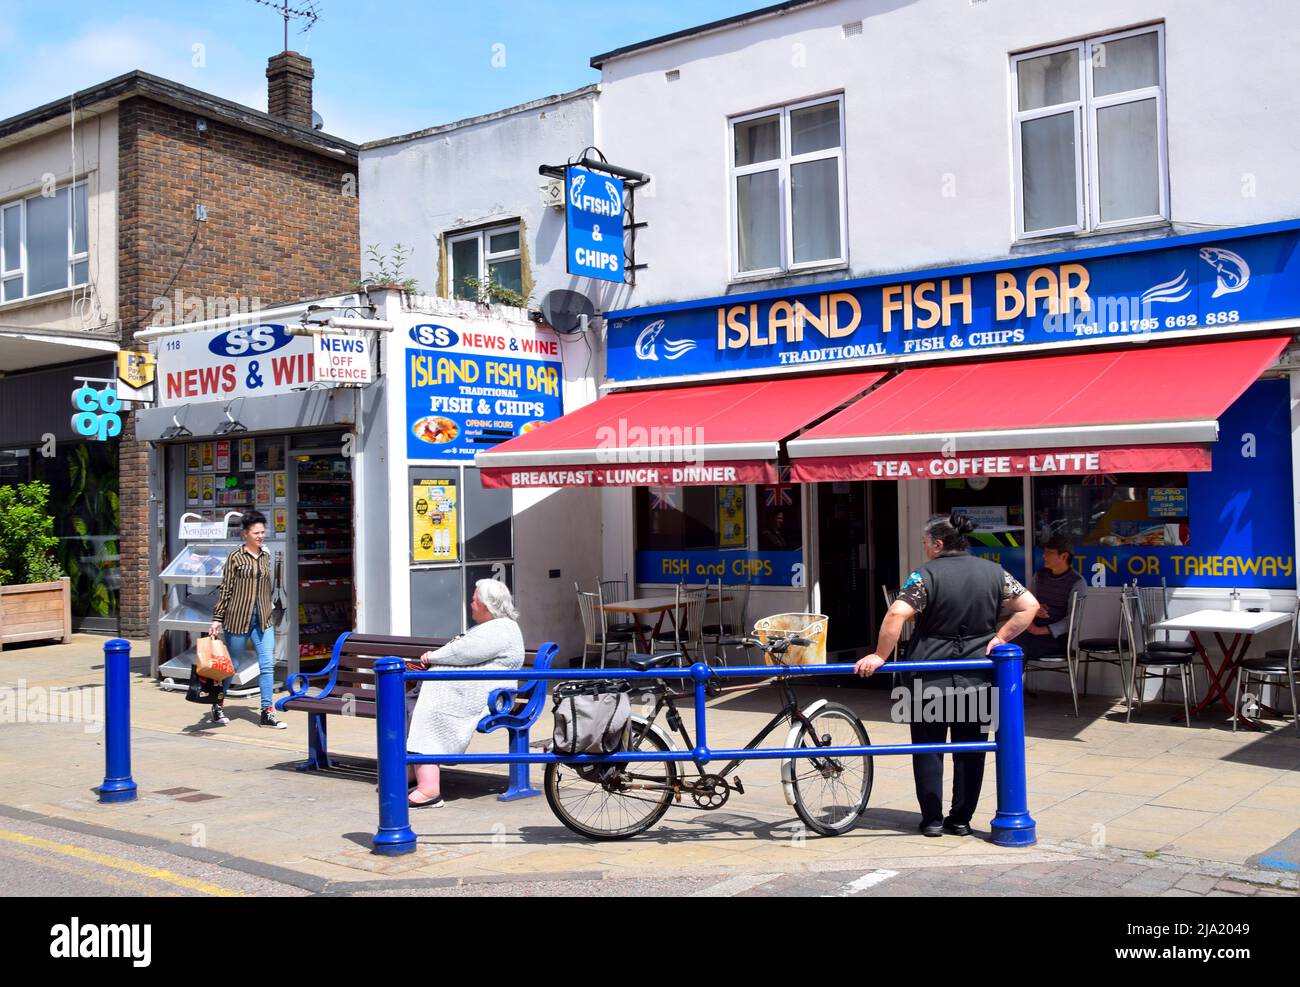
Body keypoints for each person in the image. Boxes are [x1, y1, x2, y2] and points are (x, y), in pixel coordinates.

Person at [854, 513, 1038, 837]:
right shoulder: (994, 573)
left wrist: (880, 655)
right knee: (971, 750)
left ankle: (932, 820)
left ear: (938, 544)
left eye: (925, 542)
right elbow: (1029, 606)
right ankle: (961, 820)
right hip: (977, 674)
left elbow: (896, 612)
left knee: (928, 748)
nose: (924, 548)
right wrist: (1000, 638)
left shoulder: (925, 575)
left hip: (928, 673)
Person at [406, 580, 525, 808]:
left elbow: (464, 652)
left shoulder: (501, 628)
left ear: (487, 606)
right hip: (463, 690)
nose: (470, 604)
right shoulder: (493, 627)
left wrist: (432, 657)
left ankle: (429, 789)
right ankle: (413, 771)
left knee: (429, 711)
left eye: (474, 600)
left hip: (488, 697)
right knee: (409, 705)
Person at [208, 510, 285, 729]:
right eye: (256, 532)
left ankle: (267, 712)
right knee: (232, 665)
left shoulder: (266, 555)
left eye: (262, 532)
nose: (261, 536)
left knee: (267, 664)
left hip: (262, 618)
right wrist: (217, 618)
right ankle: (217, 704)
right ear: (245, 534)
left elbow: (265, 587)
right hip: (238, 617)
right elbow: (226, 589)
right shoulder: (235, 557)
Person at [1021, 533, 1087, 659]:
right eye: (1044, 552)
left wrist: (1040, 630)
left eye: (1049, 553)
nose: (1044, 556)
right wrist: (1036, 609)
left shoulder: (1077, 582)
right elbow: (1029, 603)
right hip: (1032, 631)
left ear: (1064, 556)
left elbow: (1073, 620)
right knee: (1004, 643)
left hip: (1057, 638)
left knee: (1018, 649)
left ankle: (1012, 679)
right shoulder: (1040, 575)